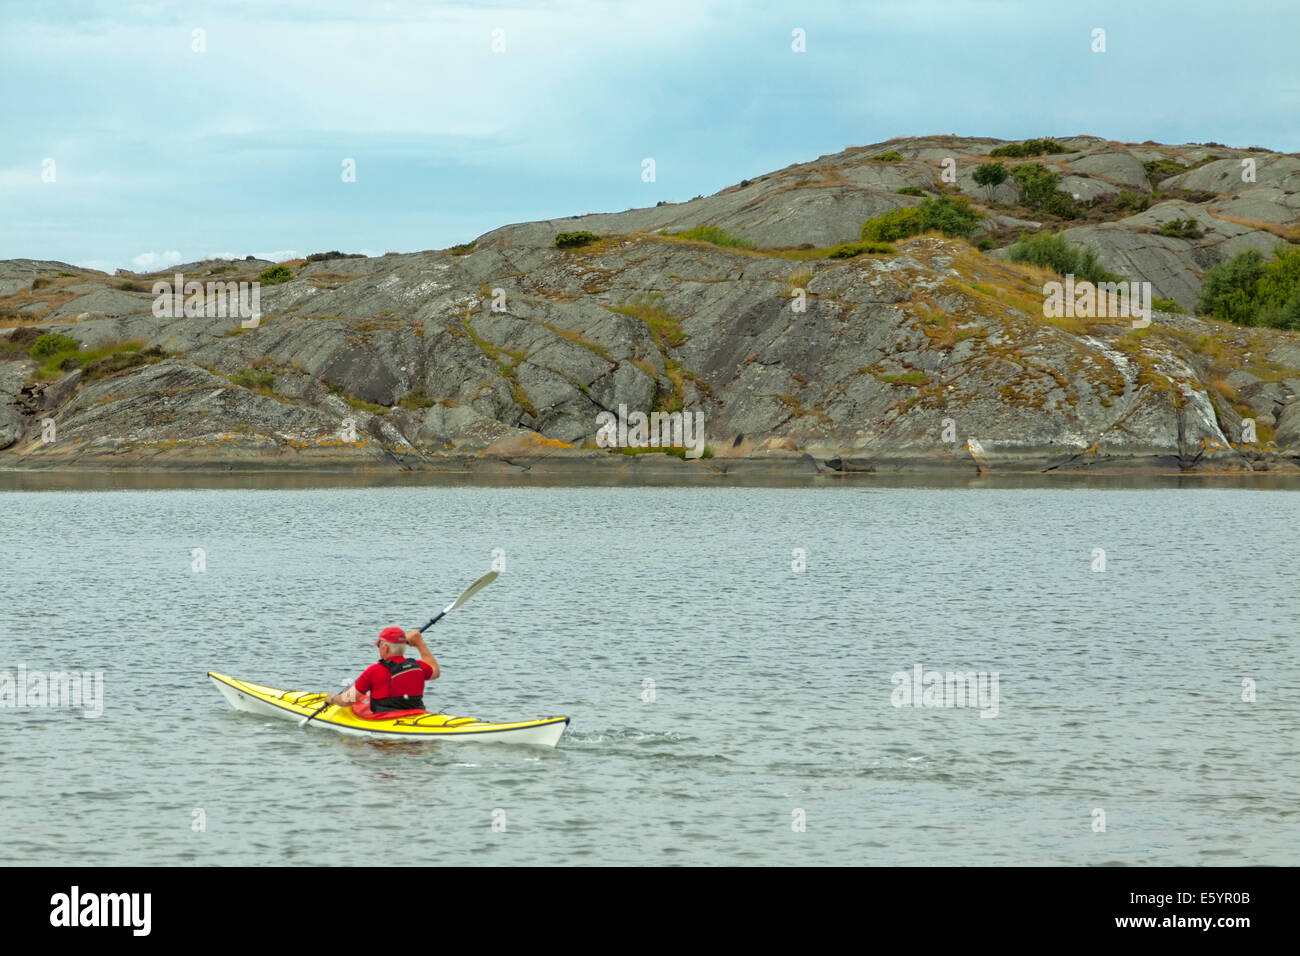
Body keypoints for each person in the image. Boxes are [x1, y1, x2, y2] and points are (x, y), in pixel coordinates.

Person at [324, 626, 439, 713]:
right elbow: (435, 671)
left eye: (379, 645)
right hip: (415, 713)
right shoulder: (418, 666)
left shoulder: (374, 670)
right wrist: (420, 643)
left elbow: (346, 701)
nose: (379, 649)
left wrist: (333, 699)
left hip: (385, 719)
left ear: (386, 647)